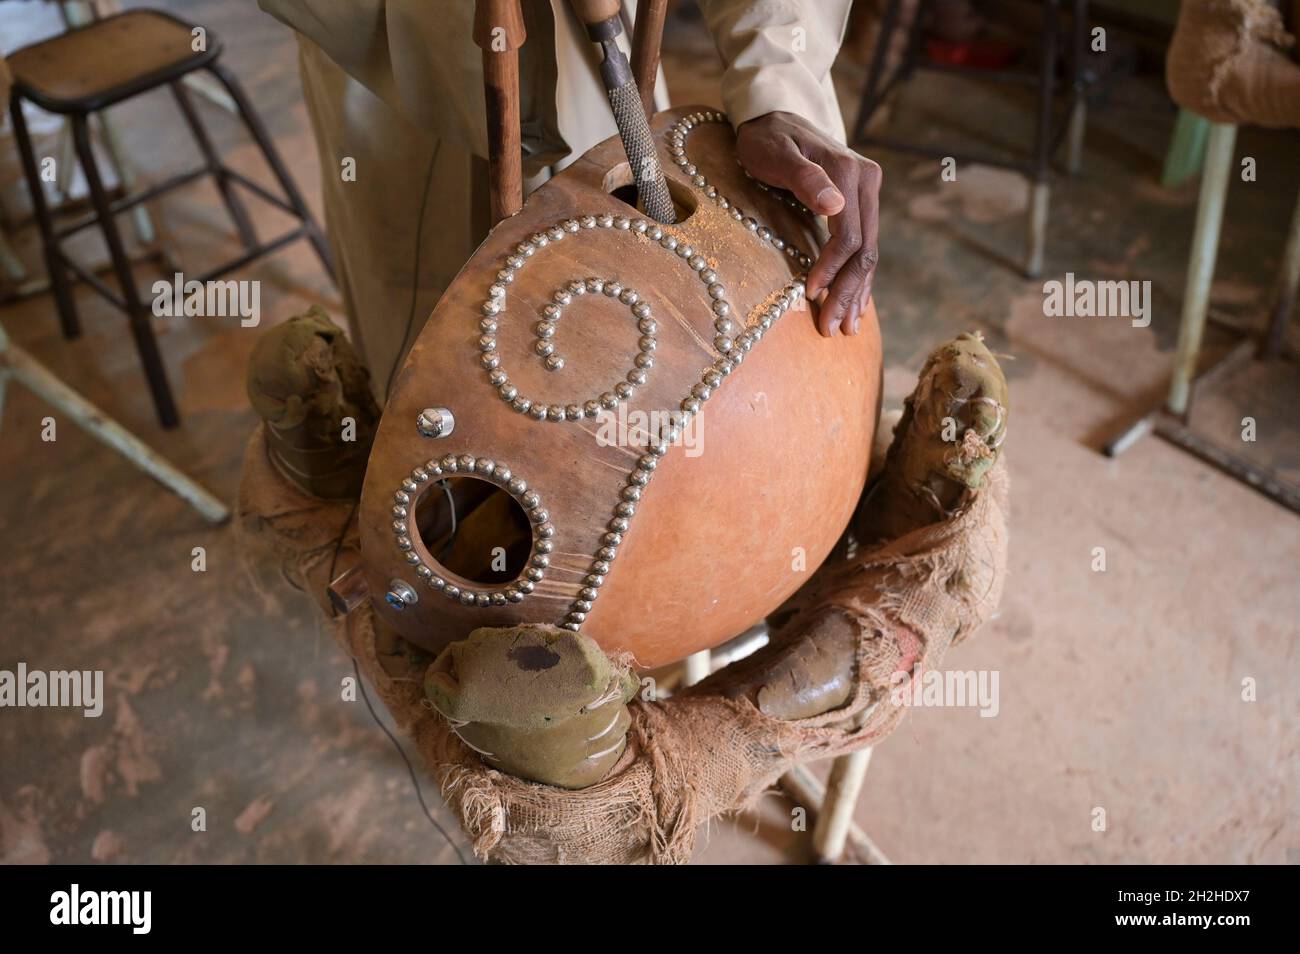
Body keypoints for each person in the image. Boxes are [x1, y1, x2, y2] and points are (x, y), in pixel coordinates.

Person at [257, 0, 882, 402]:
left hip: (608, 50)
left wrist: (776, 83)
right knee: (439, 385)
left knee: (643, 368)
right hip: (407, 68)